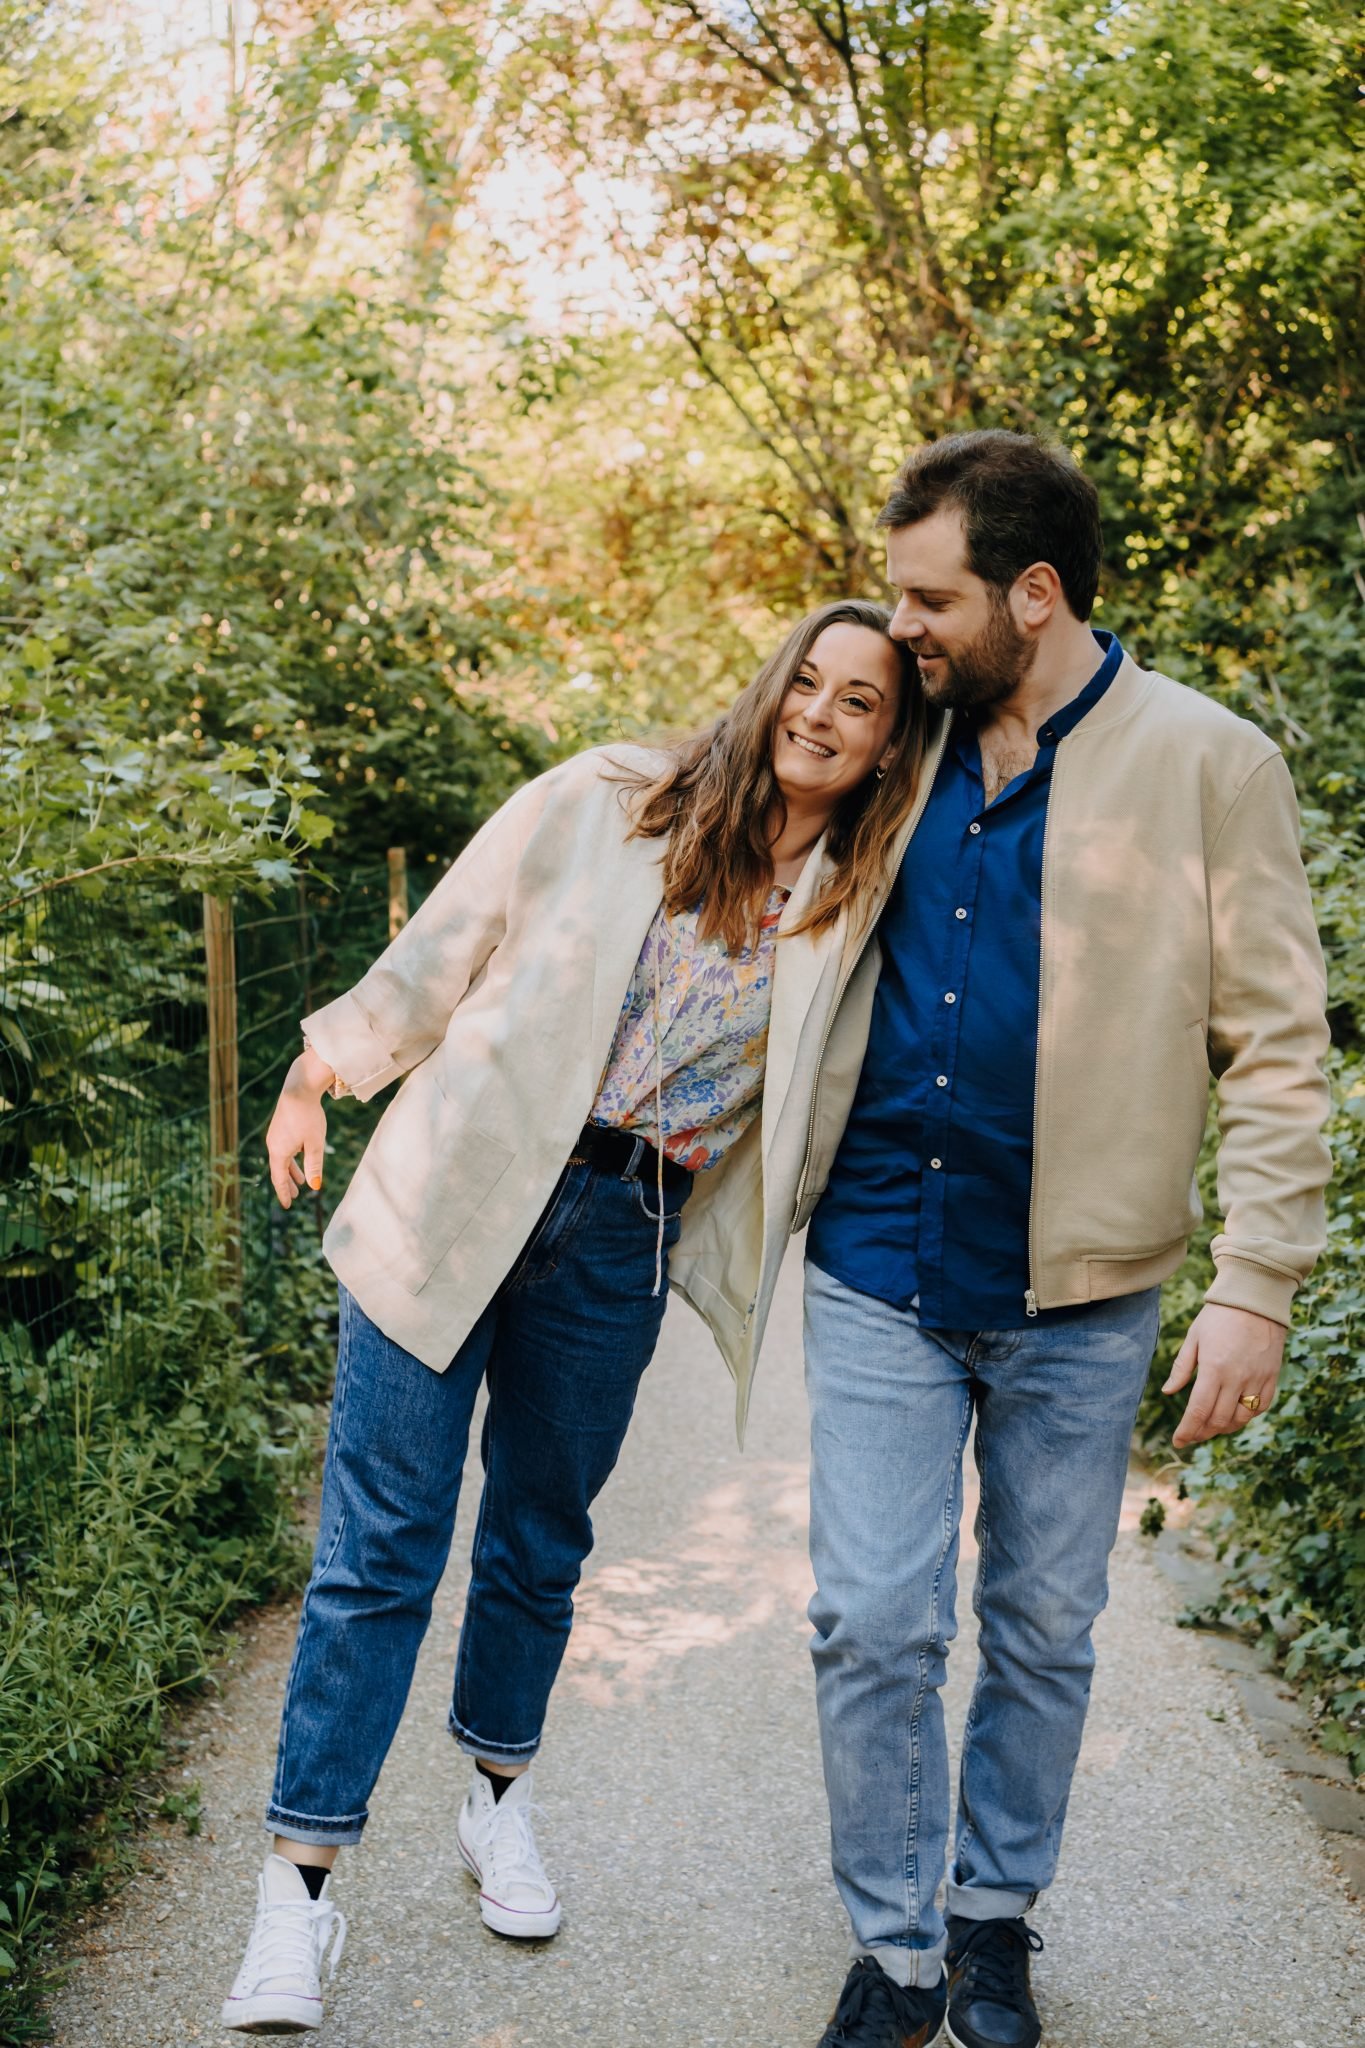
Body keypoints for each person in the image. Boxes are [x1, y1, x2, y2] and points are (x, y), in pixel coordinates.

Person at [220, 598, 927, 2035]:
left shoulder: (857, 902)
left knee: (539, 1541)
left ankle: (495, 1803)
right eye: (809, 680)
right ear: (770, 683)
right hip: (458, 1186)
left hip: (622, 1231)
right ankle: (296, 1893)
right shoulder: (618, 797)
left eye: (861, 701)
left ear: (887, 740)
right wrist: (322, 1070)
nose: (822, 714)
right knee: (382, 1548)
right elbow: (452, 939)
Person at [795, 433, 1332, 2048]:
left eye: (927, 597)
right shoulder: (898, 743)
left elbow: (1280, 1041)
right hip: (877, 1260)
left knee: (1042, 1624)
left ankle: (989, 1924)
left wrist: (1255, 1285)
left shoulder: (1208, 765)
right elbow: (705, 833)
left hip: (1083, 1294)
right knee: (873, 1617)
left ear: (1033, 596)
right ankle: (893, 1953)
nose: (897, 631)